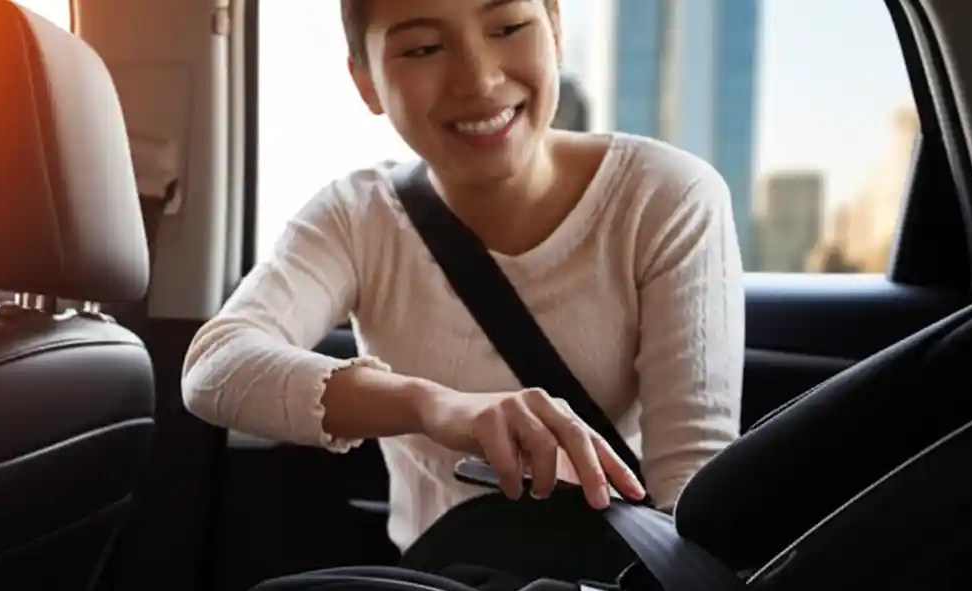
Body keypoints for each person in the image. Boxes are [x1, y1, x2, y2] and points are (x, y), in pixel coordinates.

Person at [181, 0, 745, 558]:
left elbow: (694, 493)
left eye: (508, 27)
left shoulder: (665, 196)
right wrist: (435, 407)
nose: (478, 80)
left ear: (554, 30)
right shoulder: (356, 217)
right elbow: (215, 366)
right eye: (424, 48)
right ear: (366, 82)